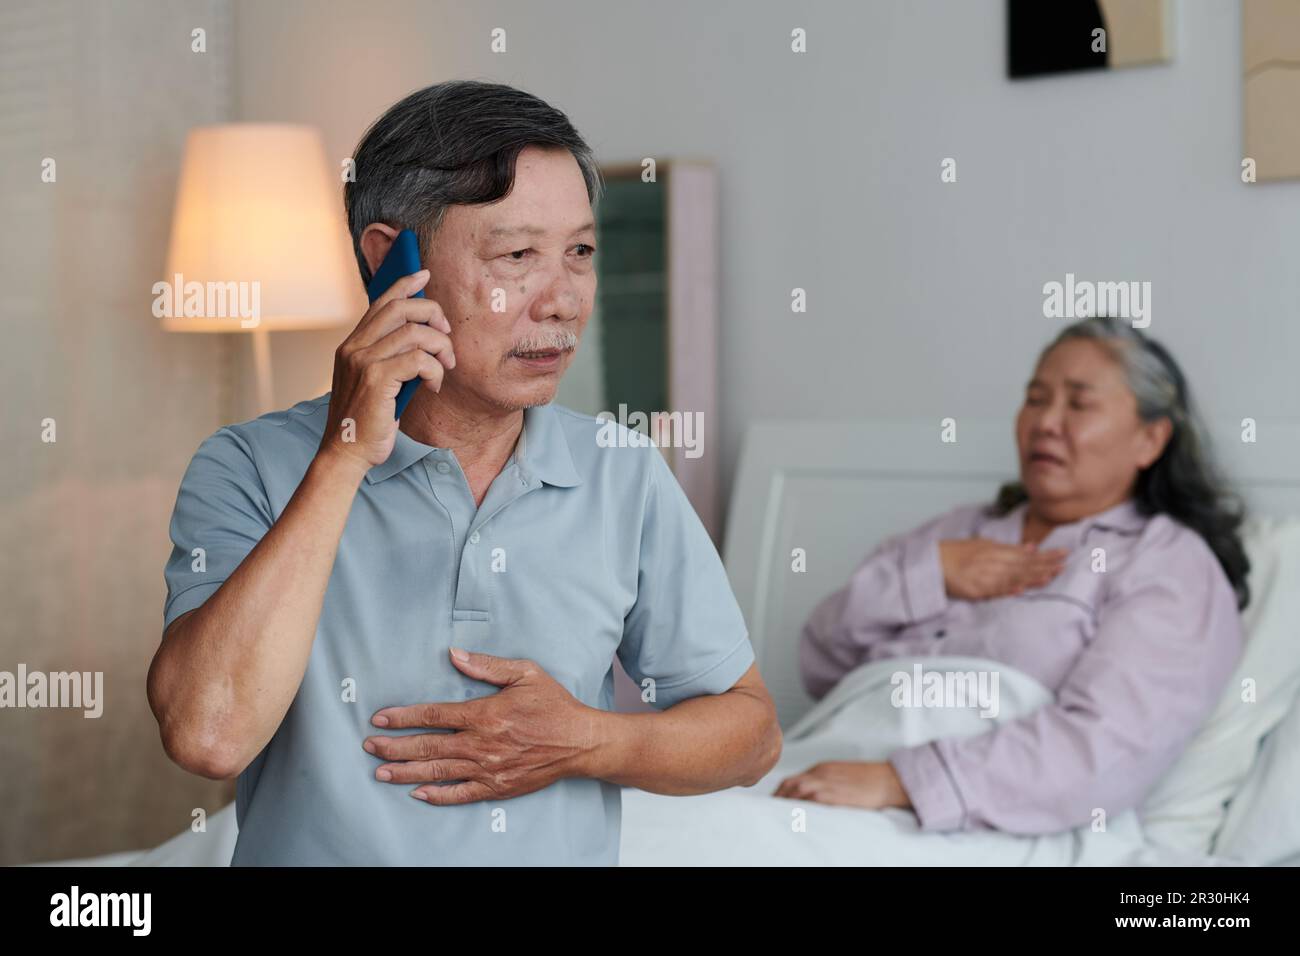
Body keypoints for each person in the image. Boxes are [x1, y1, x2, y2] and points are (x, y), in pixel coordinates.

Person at [148, 80, 780, 865]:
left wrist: (587, 740)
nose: (563, 301)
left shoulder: (623, 474)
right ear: (392, 262)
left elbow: (750, 736)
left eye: (579, 253)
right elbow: (208, 736)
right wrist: (344, 454)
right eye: (517, 255)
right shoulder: (247, 466)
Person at [780, 317, 1248, 835]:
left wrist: (903, 783)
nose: (1046, 421)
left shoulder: (1168, 563)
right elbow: (819, 662)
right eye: (1035, 398)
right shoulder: (958, 531)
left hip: (978, 819)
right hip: (824, 766)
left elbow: (1104, 750)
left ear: (1150, 439)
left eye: (1079, 403)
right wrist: (930, 573)